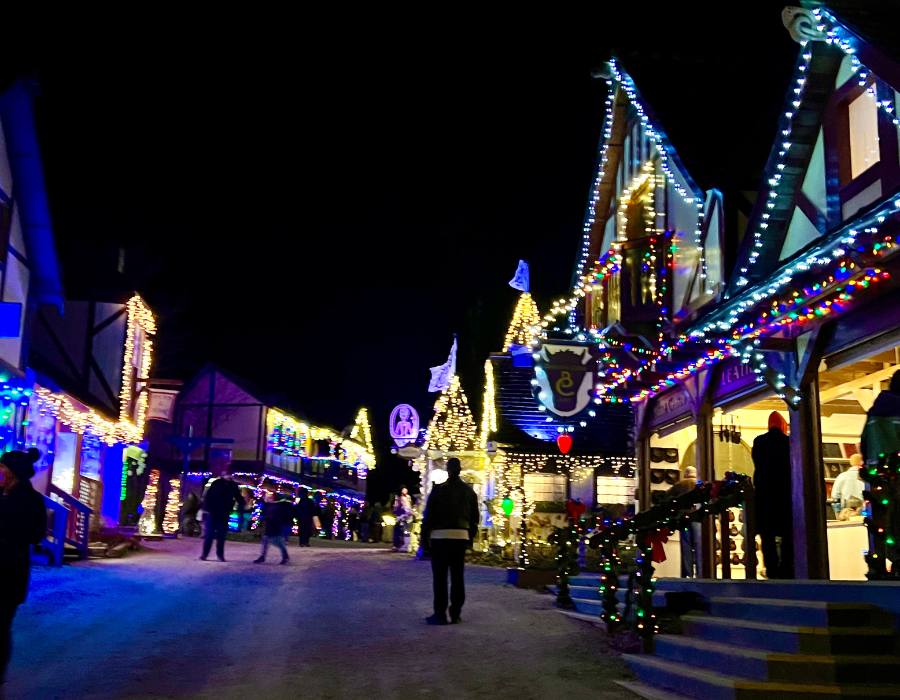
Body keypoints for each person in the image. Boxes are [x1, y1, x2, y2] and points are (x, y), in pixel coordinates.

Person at [0, 449, 46, 683]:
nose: (0, 471)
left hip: (9, 572)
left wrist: (9, 537)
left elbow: (36, 534)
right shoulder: (3, 495)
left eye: (3, 467)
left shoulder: (31, 500)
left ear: (13, 472)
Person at [420, 457, 479, 625]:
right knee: (457, 576)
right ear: (460, 470)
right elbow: (475, 518)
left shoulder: (438, 490)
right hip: (460, 536)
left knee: (440, 577)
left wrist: (425, 540)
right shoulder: (469, 492)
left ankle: (440, 614)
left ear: (448, 470)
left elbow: (428, 517)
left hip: (440, 536)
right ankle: (455, 613)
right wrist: (469, 537)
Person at [752, 411, 794, 579]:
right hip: (784, 494)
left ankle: (771, 568)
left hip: (764, 495)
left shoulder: (759, 442)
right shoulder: (788, 442)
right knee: (787, 534)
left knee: (767, 536)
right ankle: (786, 568)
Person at [199, 471, 244, 562]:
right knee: (209, 535)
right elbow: (209, 496)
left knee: (221, 536)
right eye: (227, 475)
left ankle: (220, 555)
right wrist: (206, 508)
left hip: (224, 513)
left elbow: (238, 496)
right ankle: (205, 554)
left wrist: (242, 504)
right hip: (213, 512)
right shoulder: (217, 483)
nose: (229, 476)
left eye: (230, 475)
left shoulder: (233, 485)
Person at [667, 466, 700, 578]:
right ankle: (701, 573)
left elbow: (668, 497)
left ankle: (688, 574)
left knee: (686, 546)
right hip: (697, 518)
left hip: (684, 518)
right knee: (699, 546)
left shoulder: (680, 485)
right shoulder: (699, 483)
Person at [254, 493, 291, 564]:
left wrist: (265, 517)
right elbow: (267, 514)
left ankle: (285, 555)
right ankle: (263, 556)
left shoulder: (277, 506)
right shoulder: (269, 505)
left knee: (277, 542)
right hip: (270, 526)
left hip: (275, 526)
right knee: (266, 541)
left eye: (270, 497)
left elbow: (274, 516)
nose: (268, 498)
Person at [392, 486, 413, 551]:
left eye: (406, 490)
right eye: (403, 490)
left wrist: (410, 512)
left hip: (407, 517)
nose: (405, 491)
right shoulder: (398, 498)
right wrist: (399, 515)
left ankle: (405, 545)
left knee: (406, 531)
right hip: (400, 516)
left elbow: (409, 507)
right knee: (399, 530)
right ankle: (398, 545)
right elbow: (396, 507)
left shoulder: (408, 497)